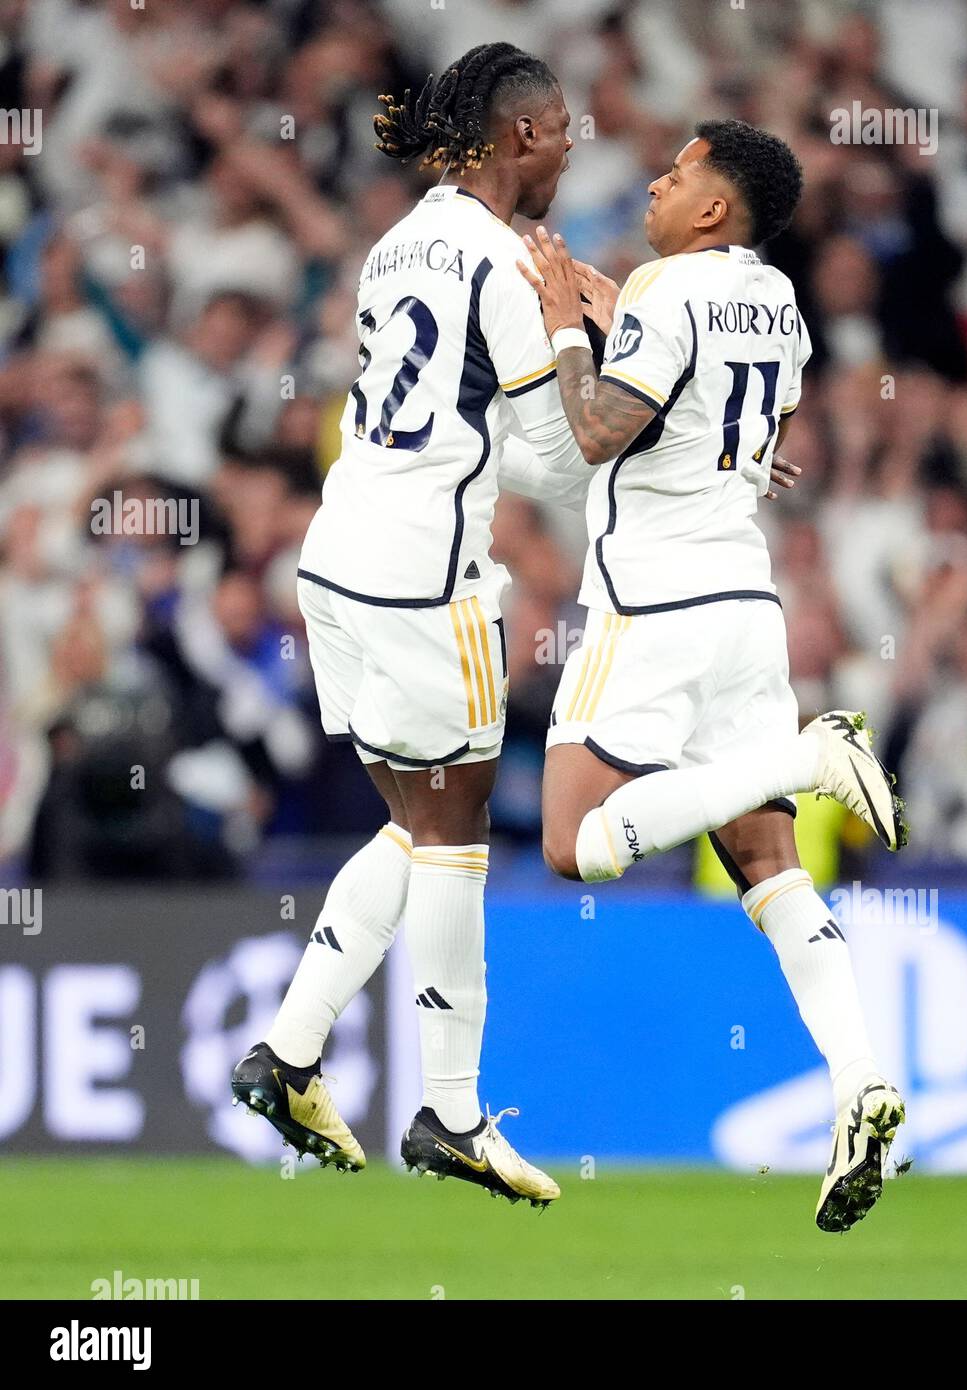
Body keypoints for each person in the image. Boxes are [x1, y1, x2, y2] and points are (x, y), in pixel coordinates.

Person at [519, 119, 905, 1231]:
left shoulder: (660, 289)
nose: (655, 179)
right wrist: (596, 293)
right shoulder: (774, 299)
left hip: (652, 607)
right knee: (772, 874)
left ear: (712, 210)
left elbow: (596, 429)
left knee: (573, 844)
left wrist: (562, 329)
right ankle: (863, 1083)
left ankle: (813, 751)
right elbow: (757, 420)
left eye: (677, 172)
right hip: (746, 605)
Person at [231, 43, 587, 1208]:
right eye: (564, 128)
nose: (574, 146)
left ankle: (287, 1053)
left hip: (334, 560)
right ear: (521, 137)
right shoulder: (500, 259)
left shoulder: (397, 241)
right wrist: (577, 339)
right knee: (456, 832)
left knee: (410, 821)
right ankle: (450, 1109)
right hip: (425, 575)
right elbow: (546, 456)